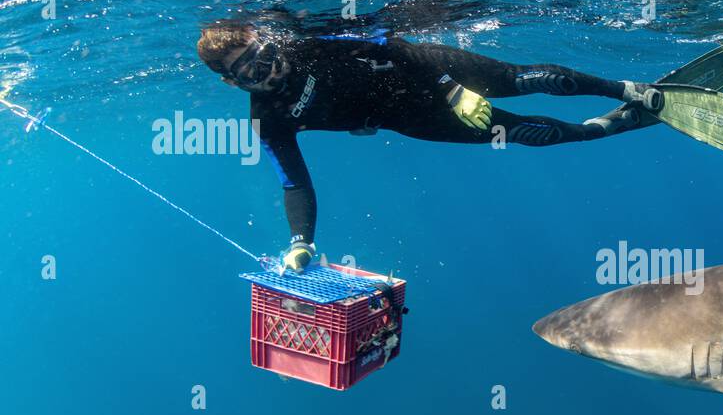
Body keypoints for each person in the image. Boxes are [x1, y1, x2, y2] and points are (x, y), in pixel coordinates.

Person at [196, 20, 662, 270]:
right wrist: (302, 242)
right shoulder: (268, 119)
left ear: (269, 41)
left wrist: (452, 88)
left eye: (265, 58)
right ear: (230, 81)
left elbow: (394, 47)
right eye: (251, 73)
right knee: (522, 134)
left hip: (428, 72)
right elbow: (293, 183)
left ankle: (625, 90)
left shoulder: (308, 42)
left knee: (524, 80)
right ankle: (606, 127)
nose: (270, 72)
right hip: (413, 118)